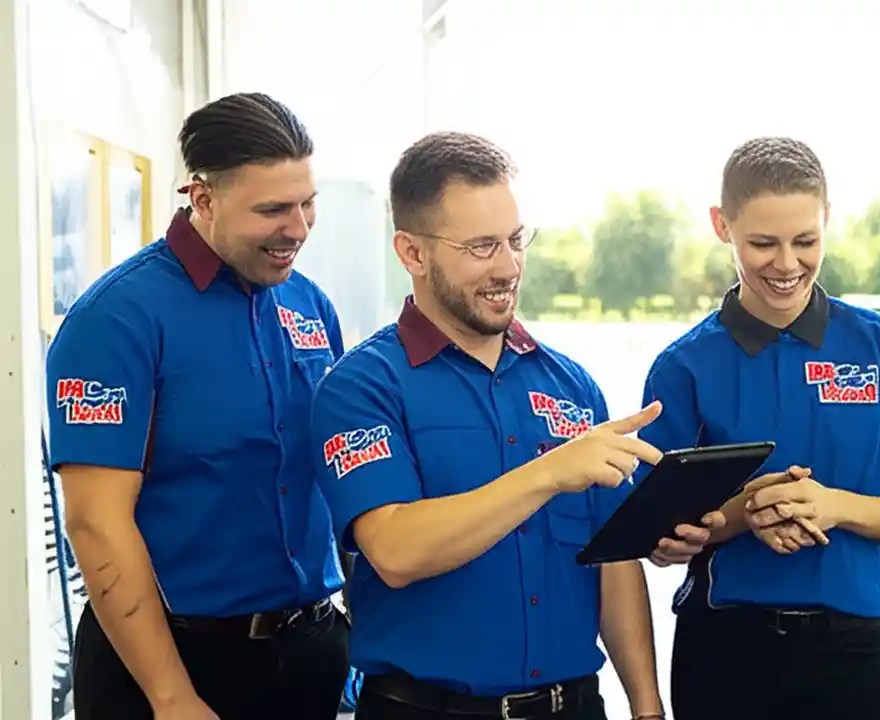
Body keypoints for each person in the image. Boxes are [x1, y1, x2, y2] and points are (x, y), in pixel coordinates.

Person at [308, 130, 717, 720]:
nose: (507, 267)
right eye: (480, 247)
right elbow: (395, 550)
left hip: (572, 705)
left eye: (515, 240)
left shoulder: (572, 387)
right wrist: (546, 475)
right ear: (413, 253)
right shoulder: (361, 388)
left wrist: (647, 705)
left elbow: (613, 564)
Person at [47, 92, 351, 720]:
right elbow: (96, 524)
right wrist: (172, 697)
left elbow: (334, 471)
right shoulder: (117, 319)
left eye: (307, 203)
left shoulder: (311, 307)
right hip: (171, 663)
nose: (296, 228)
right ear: (202, 198)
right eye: (272, 209)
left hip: (307, 653)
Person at [637, 136, 880, 720]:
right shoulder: (682, 368)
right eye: (762, 243)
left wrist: (833, 506)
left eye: (805, 241)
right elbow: (658, 542)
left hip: (857, 650)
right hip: (724, 651)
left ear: (827, 221)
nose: (786, 265)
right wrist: (747, 513)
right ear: (722, 225)